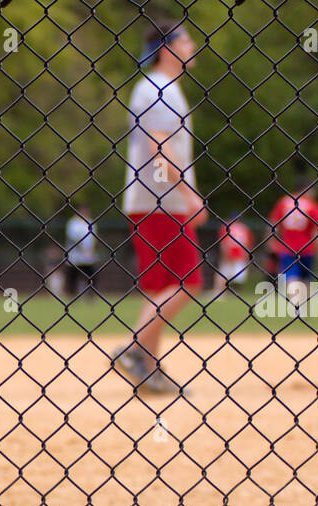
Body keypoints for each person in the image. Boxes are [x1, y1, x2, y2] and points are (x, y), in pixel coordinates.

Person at [111, 20, 203, 398]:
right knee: (188, 281)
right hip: (161, 202)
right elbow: (159, 148)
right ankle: (133, 349)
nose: (193, 44)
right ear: (168, 48)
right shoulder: (162, 89)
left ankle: (149, 368)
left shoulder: (155, 88)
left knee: (161, 286)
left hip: (150, 200)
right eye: (186, 39)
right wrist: (185, 194)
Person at [269, 179, 318, 313]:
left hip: (287, 247)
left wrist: (272, 242)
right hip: (307, 248)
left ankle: (296, 305)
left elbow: (274, 224)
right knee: (305, 278)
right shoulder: (312, 206)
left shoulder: (284, 202)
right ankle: (301, 306)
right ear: (306, 189)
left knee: (291, 276)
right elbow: (317, 231)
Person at [64, 205, 99, 299]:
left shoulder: (90, 222)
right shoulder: (73, 223)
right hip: (75, 256)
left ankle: (91, 296)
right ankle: (72, 296)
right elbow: (73, 238)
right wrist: (82, 248)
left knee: (91, 277)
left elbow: (93, 238)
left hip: (88, 256)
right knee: (73, 278)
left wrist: (90, 250)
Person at [213, 215, 253, 294]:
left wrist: (224, 254)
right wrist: (246, 255)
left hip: (230, 252)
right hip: (240, 253)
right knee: (236, 274)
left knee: (223, 272)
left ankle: (219, 291)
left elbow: (223, 243)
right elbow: (248, 244)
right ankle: (231, 291)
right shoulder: (244, 228)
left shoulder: (226, 226)